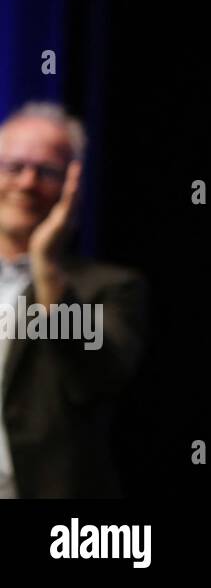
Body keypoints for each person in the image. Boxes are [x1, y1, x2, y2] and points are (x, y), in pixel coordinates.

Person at [0, 101, 149, 497]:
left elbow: (94, 375)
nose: (27, 182)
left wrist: (45, 265)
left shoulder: (109, 288)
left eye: (46, 171)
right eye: (13, 167)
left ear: (73, 185)